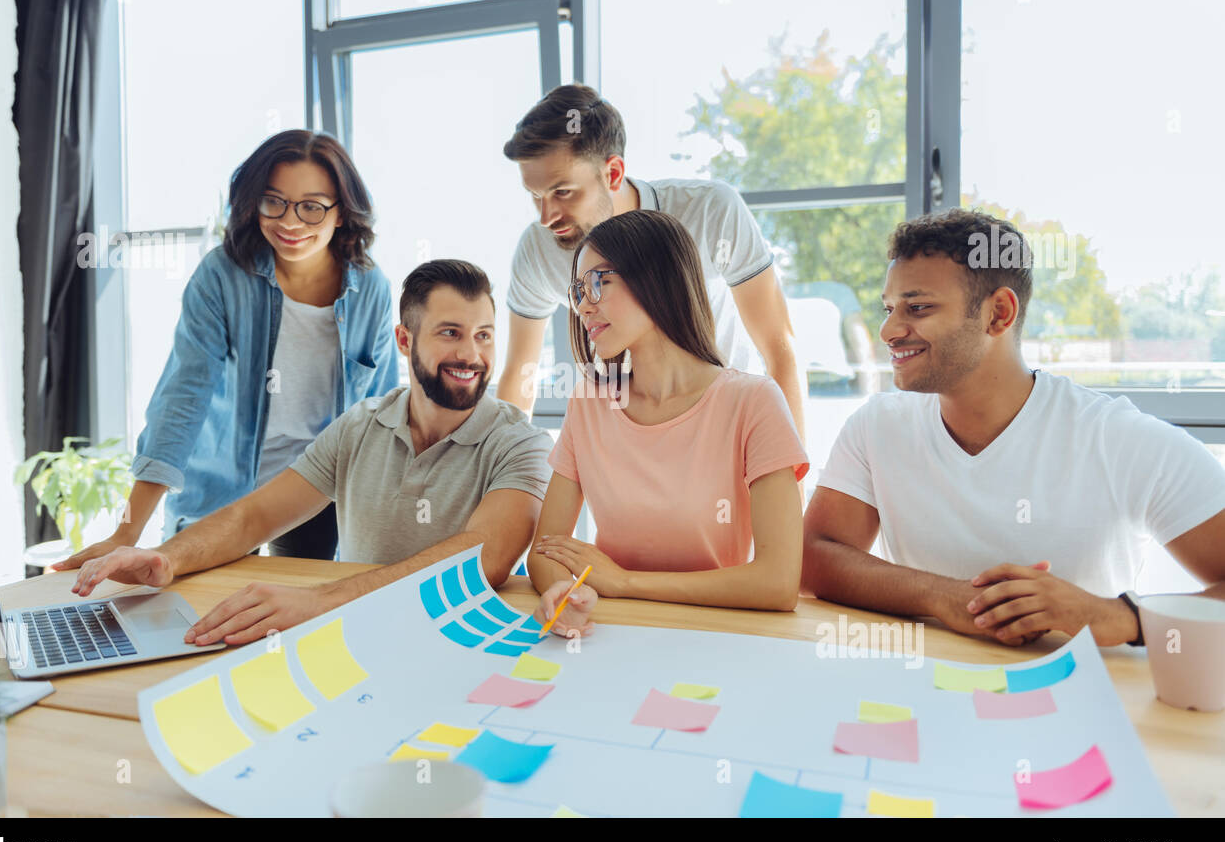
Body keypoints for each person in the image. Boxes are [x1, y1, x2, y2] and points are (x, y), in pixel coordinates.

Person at [66, 261, 553, 646]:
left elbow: (483, 558)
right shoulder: (360, 425)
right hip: (356, 641)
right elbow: (254, 518)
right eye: (451, 333)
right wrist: (165, 558)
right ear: (404, 340)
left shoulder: (520, 443)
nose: (471, 355)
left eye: (484, 335)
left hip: (459, 646)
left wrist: (323, 600)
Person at [802, 209, 1225, 646]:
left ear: (998, 314)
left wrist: (1121, 617)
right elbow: (813, 557)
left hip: (1082, 694)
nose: (888, 330)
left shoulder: (1125, 440)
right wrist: (945, 597)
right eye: (889, 308)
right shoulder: (877, 427)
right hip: (924, 690)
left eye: (919, 307)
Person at [54, 130, 398, 566]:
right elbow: (183, 396)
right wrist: (127, 531)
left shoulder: (370, 288)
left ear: (342, 212)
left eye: (312, 207)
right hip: (224, 488)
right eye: (274, 201)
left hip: (318, 489)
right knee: (195, 611)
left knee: (307, 619)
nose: (290, 223)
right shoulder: (221, 275)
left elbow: (380, 414)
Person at [525, 210, 808, 638]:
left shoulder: (753, 402)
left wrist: (623, 582)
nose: (583, 304)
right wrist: (565, 591)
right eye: (578, 290)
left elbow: (779, 583)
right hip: (613, 631)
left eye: (599, 282)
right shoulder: (590, 401)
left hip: (716, 636)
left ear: (656, 278)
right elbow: (546, 550)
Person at [496, 84, 807, 441]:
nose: (546, 217)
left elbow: (779, 349)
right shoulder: (538, 250)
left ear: (612, 173)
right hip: (626, 444)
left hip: (724, 431)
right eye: (535, 196)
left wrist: (793, 484)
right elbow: (521, 373)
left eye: (562, 192)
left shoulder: (710, 212)